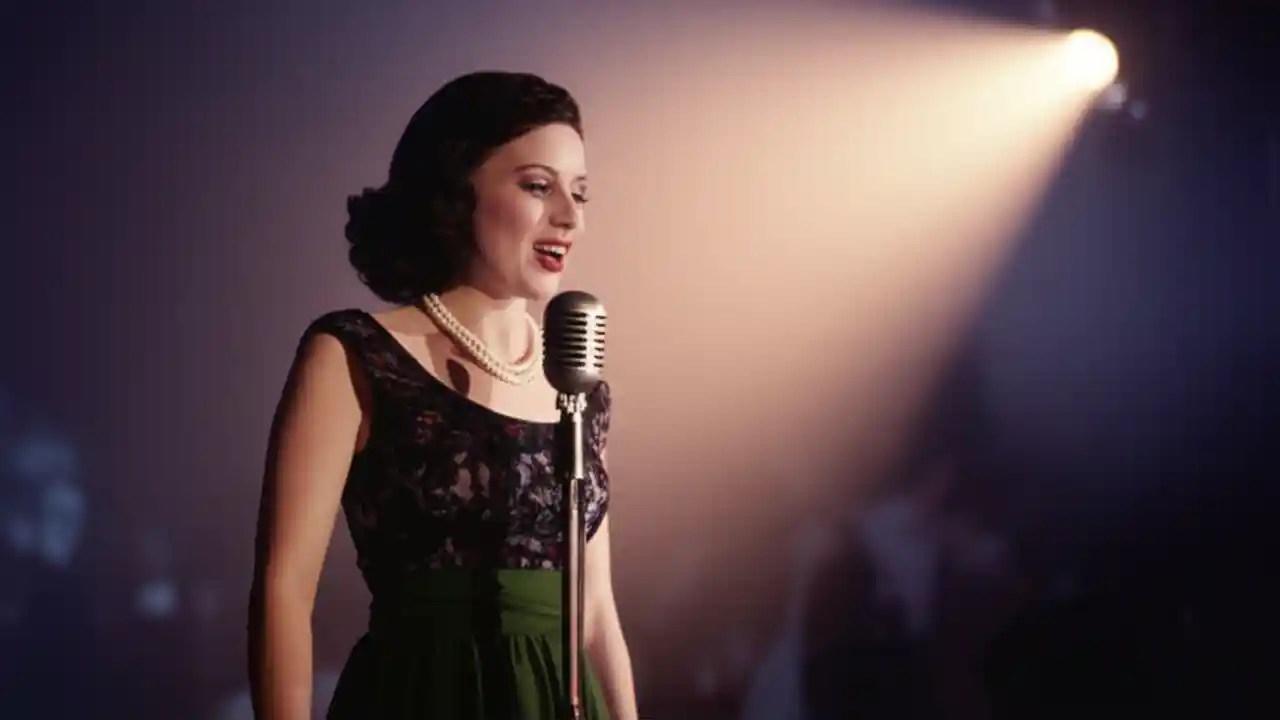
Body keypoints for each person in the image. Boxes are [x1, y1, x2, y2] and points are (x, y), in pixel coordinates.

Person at [248, 71, 637, 720]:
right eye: (538, 187)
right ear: (456, 190)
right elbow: (284, 589)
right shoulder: (352, 354)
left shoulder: (578, 385)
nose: (568, 216)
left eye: (580, 194)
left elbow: (595, 609)